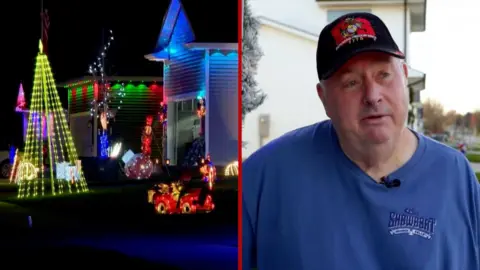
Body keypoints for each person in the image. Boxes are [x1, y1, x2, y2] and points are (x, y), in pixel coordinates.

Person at [242, 12, 479, 270]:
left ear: (404, 77)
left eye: (383, 75)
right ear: (324, 99)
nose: (372, 95)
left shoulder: (456, 176)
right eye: (351, 82)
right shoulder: (263, 179)